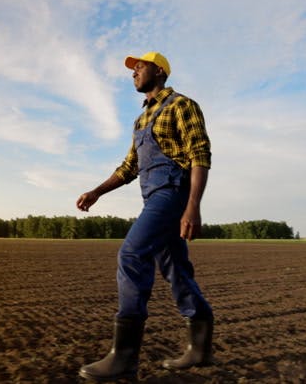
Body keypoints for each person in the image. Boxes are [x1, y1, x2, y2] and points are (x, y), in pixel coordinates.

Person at [76, 51, 215, 381]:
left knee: (132, 253)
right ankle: (200, 349)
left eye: (140, 66)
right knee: (174, 267)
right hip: (153, 196)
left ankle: (124, 357)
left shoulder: (182, 105)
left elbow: (199, 154)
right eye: (133, 68)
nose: (134, 72)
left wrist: (193, 205)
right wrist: (97, 191)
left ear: (160, 71)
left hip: (173, 192)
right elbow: (129, 168)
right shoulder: (141, 120)